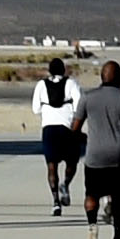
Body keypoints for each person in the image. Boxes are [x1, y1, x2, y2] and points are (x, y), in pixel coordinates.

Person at [75, 56, 120, 239]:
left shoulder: (88, 97)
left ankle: (92, 225)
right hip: (119, 156)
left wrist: (84, 140)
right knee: (118, 197)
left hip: (95, 154)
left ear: (102, 77)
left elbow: (75, 127)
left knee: (91, 194)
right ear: (118, 77)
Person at [31, 56, 83, 216]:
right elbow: (79, 104)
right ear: (63, 70)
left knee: (51, 166)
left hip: (49, 129)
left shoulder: (41, 85)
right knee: (72, 162)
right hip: (67, 128)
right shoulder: (71, 83)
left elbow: (35, 109)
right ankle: (65, 184)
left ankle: (55, 202)